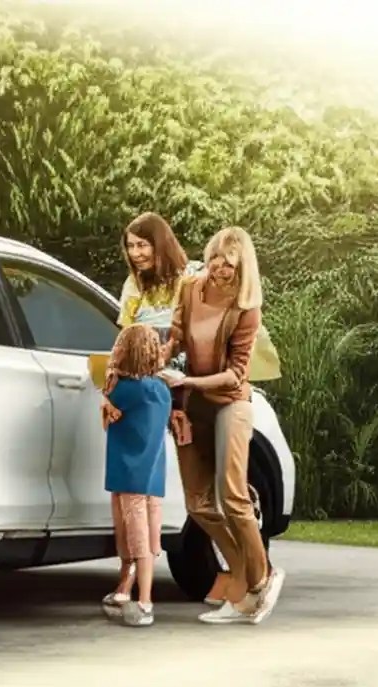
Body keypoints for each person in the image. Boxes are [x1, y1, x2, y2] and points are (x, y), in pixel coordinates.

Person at [104, 212, 243, 603]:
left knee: (197, 487)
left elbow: (194, 330)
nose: (136, 253)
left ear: (160, 244)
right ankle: (132, 573)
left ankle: (239, 566)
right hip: (153, 380)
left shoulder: (190, 279)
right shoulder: (134, 285)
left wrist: (169, 360)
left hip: (187, 381)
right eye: (131, 246)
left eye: (143, 245)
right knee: (149, 489)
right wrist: (119, 377)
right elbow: (125, 339)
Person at [164, 227, 286, 624]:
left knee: (232, 495)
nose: (219, 268)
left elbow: (236, 375)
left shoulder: (246, 307)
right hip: (194, 403)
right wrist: (156, 356)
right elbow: (177, 337)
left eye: (228, 263)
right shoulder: (190, 289)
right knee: (197, 503)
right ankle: (250, 579)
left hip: (231, 403)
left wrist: (189, 382)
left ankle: (260, 579)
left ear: (241, 266)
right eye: (214, 259)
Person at [99, 325, 172, 628]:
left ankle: (142, 600)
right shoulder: (161, 390)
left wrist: (106, 393)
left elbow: (107, 414)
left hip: (127, 472)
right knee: (149, 534)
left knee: (131, 536)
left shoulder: (124, 389)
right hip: (152, 474)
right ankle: (133, 593)